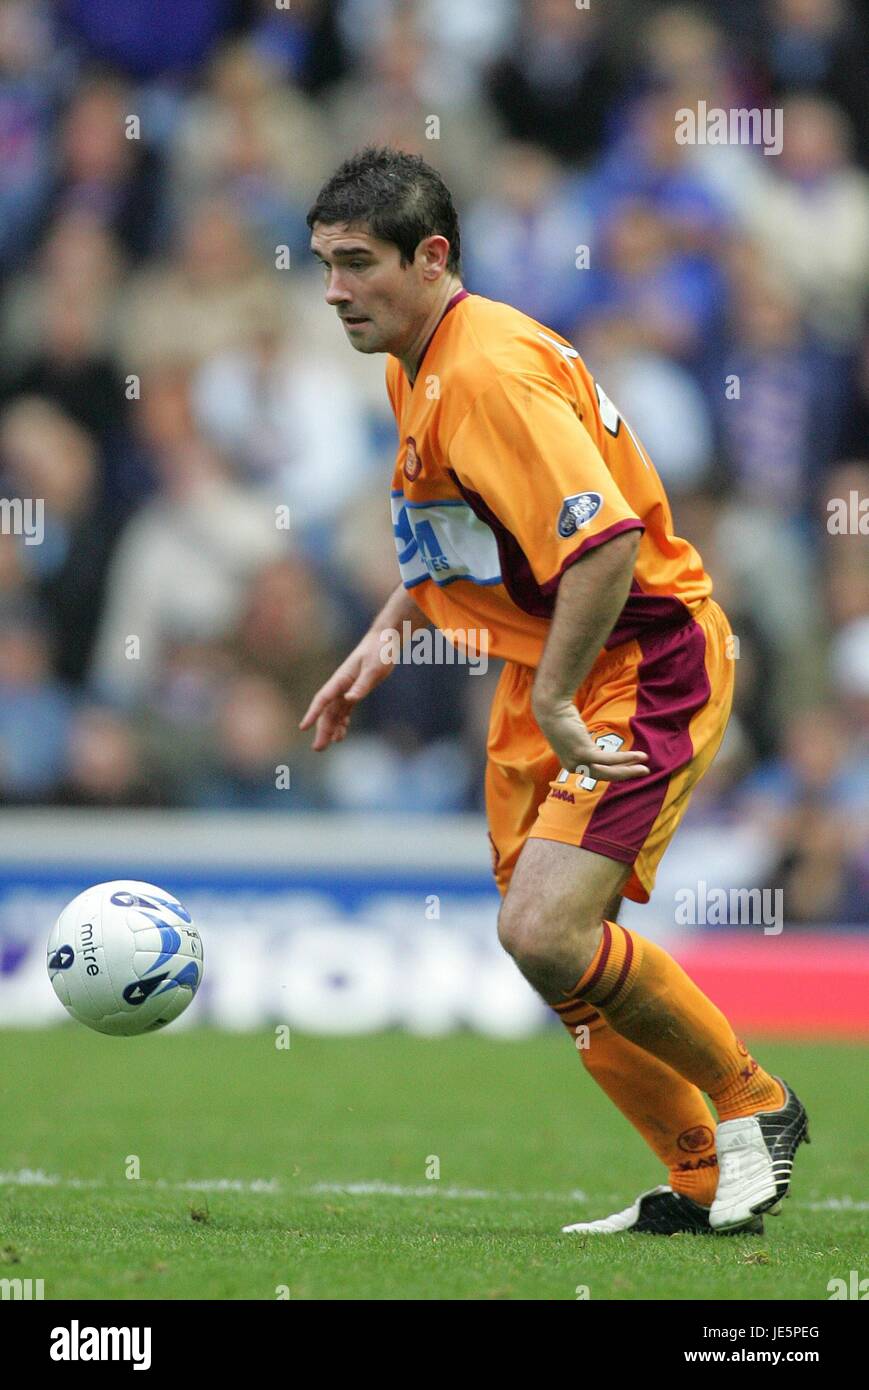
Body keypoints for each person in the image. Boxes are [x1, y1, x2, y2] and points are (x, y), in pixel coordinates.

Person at [301, 147, 809, 1236]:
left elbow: (604, 545)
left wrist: (563, 700)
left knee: (542, 929)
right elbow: (464, 530)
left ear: (431, 257)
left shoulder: (484, 372)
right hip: (553, 663)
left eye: (356, 264)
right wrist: (391, 627)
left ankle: (752, 1101)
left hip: (639, 659)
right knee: (539, 944)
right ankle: (698, 1177)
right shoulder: (417, 356)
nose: (334, 290)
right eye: (323, 265)